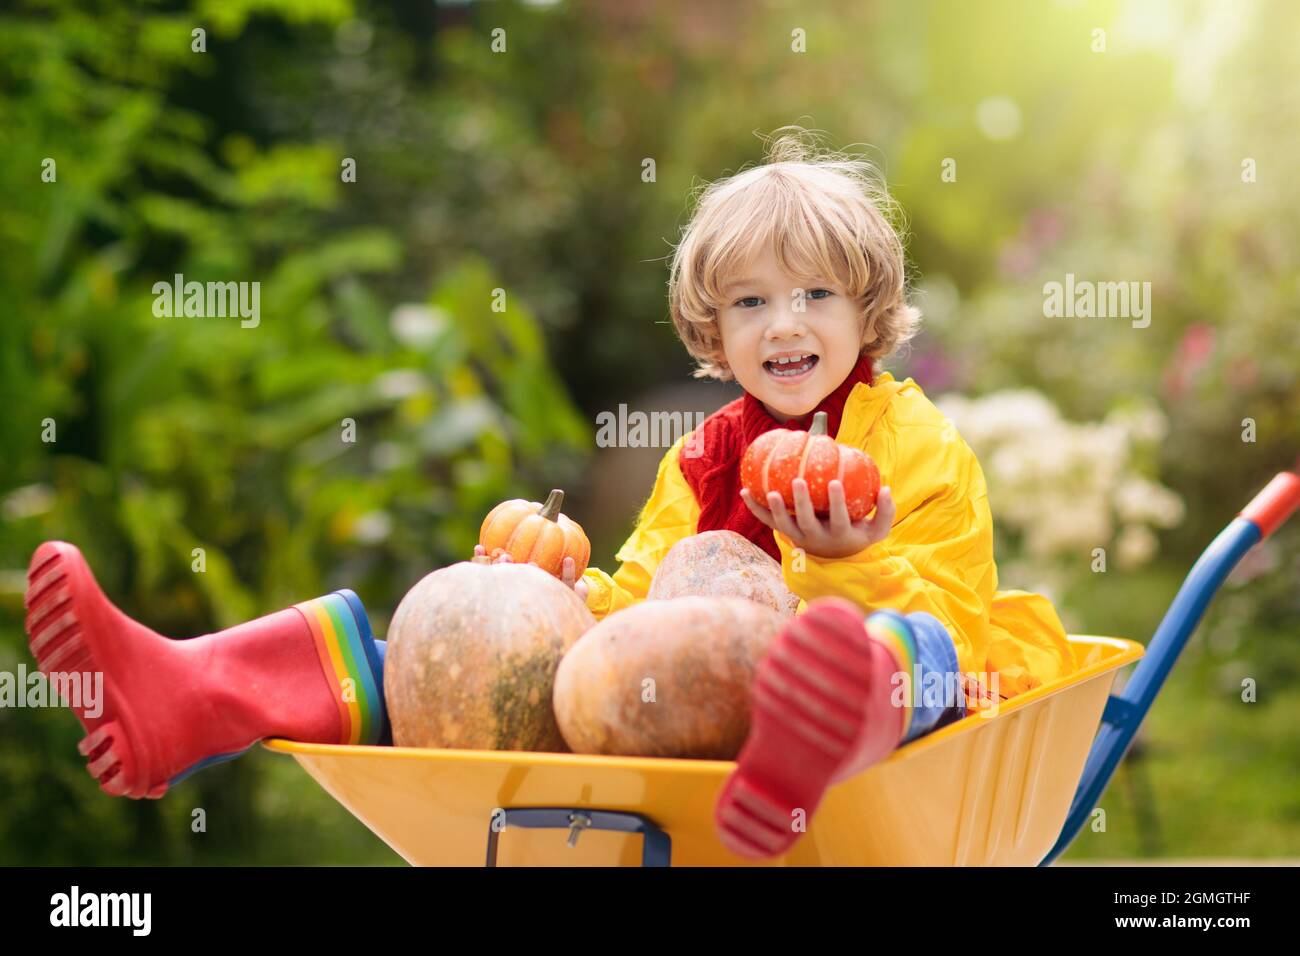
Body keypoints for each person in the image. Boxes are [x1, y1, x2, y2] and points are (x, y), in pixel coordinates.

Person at [24, 130, 1076, 861]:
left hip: (896, 710)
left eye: (813, 295)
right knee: (459, 641)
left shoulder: (915, 443)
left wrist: (852, 560)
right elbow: (635, 621)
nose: (782, 323)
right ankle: (194, 695)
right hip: (697, 723)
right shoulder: (699, 460)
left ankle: (816, 724)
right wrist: (554, 595)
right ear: (714, 331)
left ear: (868, 309)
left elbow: (955, 605)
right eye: (750, 300)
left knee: (917, 652)